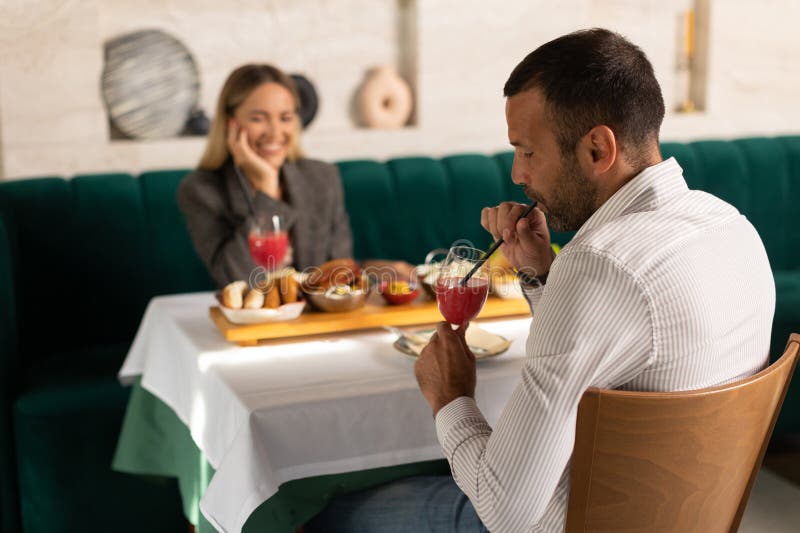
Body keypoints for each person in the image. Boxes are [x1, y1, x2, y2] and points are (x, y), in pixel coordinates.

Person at [305, 28, 775, 532]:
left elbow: (504, 509)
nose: (515, 174)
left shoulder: (598, 264)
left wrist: (451, 398)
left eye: (527, 151)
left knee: (322, 512)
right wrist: (540, 275)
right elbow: (619, 350)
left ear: (597, 148)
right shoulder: (733, 226)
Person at [177, 63, 410, 287]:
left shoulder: (321, 178)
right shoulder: (201, 191)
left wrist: (377, 269)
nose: (275, 132)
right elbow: (237, 279)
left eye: (285, 118)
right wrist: (267, 188)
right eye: (258, 118)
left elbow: (334, 272)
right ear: (231, 125)